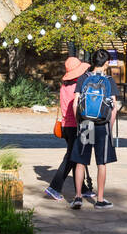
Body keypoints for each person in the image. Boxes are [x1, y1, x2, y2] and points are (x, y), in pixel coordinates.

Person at [70, 49, 120, 209]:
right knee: (101, 163)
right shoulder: (109, 80)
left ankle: (78, 197)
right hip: (102, 125)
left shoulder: (83, 78)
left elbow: (75, 103)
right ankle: (99, 199)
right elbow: (114, 107)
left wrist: (80, 122)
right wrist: (109, 126)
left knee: (80, 161)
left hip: (85, 124)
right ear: (106, 63)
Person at [44, 56, 95, 202]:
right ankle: (54, 187)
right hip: (77, 126)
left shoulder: (64, 87)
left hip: (67, 126)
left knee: (76, 157)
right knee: (71, 158)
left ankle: (83, 188)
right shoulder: (77, 87)